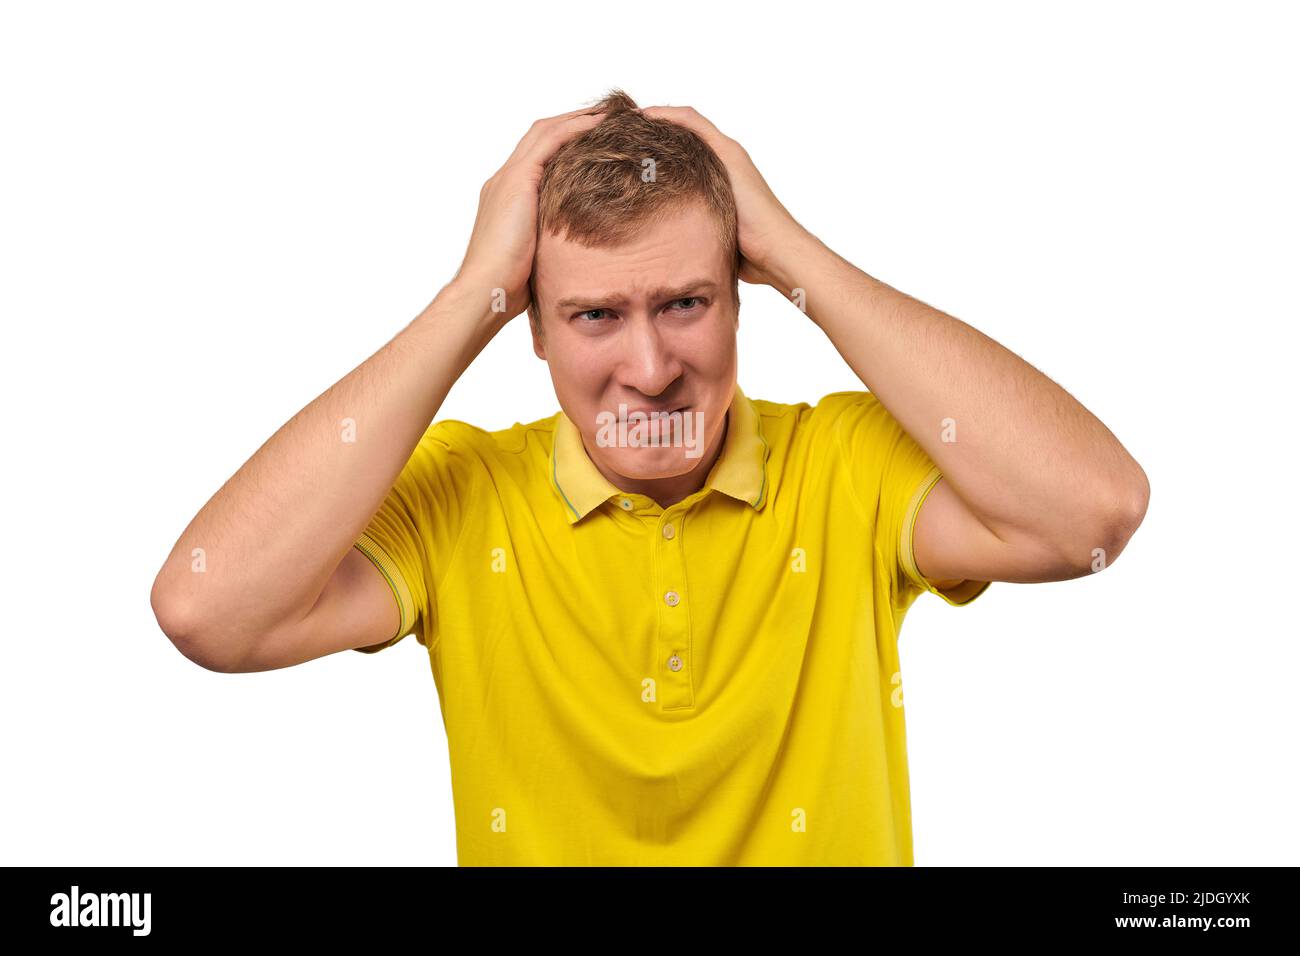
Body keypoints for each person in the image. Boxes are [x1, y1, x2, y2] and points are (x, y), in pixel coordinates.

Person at [150, 89, 1149, 865]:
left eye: (685, 301)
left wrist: (794, 248)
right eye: (593, 315)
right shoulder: (467, 492)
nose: (651, 364)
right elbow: (209, 610)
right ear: (529, 325)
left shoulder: (842, 466)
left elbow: (1091, 513)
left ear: (742, 296)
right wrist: (466, 296)